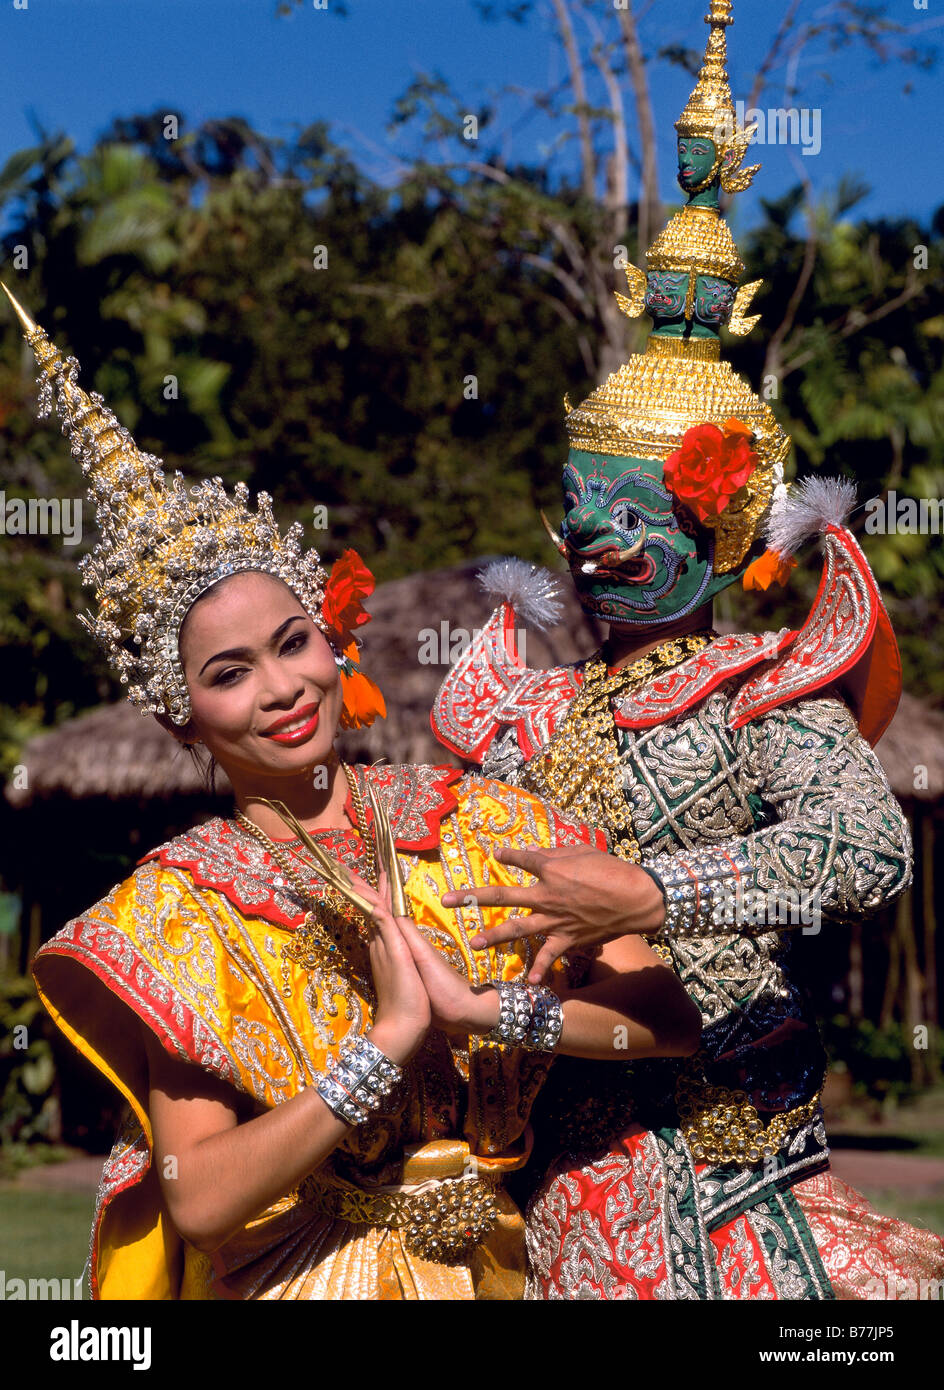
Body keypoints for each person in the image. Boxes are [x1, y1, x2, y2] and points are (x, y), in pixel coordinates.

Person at [5, 284, 701, 1301]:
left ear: (332, 639)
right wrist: (382, 1047)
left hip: (518, 1264)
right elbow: (197, 1197)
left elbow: (666, 1017)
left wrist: (492, 1010)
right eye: (230, 672)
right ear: (181, 716)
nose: (282, 688)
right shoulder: (180, 909)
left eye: (293, 643)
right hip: (311, 1278)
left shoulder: (482, 818)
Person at [430, 0, 944, 1300]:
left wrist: (654, 894)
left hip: (730, 1186)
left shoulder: (756, 693)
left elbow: (867, 848)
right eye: (581, 505)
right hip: (561, 1178)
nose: (593, 538)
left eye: (633, 510)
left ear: (714, 521)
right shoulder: (527, 710)